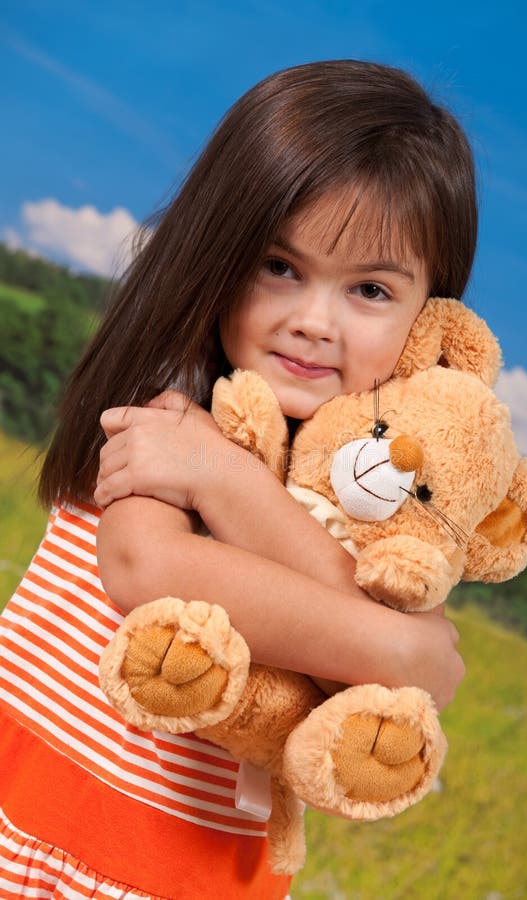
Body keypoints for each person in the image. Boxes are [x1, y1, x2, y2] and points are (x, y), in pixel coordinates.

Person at [0, 60, 474, 899]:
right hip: (48, 826)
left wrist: (228, 488)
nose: (312, 321)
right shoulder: (173, 394)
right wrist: (399, 646)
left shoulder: (379, 479)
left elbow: (408, 663)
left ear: (431, 320)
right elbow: (146, 569)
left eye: (368, 288)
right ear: (217, 248)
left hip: (206, 880)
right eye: (279, 266)